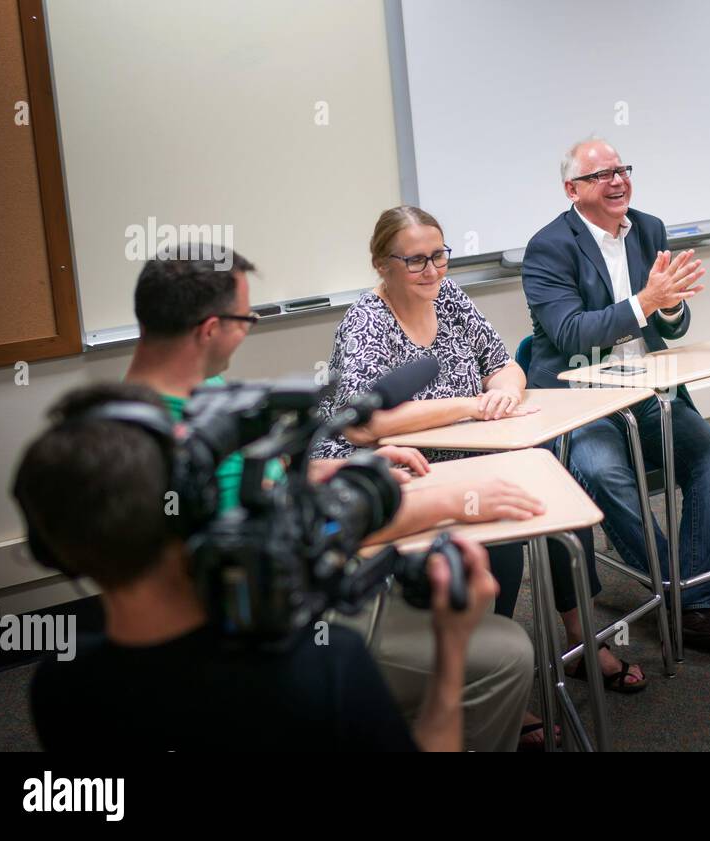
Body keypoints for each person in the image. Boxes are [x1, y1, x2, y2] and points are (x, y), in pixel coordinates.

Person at [124, 252, 535, 751]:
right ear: (211, 328)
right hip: (272, 634)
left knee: (470, 586)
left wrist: (343, 467)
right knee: (508, 652)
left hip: (263, 600)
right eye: (245, 319)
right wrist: (456, 500)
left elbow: (267, 473)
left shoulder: (178, 394)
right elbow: (304, 535)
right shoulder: (177, 436)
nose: (247, 331)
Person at [315, 207, 647, 749]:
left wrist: (503, 390)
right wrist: (468, 404)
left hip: (472, 451)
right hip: (395, 466)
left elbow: (504, 362)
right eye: (416, 260)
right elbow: (369, 421)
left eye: (439, 255)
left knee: (556, 495)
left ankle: (581, 638)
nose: (432, 270)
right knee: (505, 542)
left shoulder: (449, 298)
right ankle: (491, 681)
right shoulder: (366, 321)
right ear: (382, 265)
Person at [14, 383, 500, 751]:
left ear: (53, 551)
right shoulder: (326, 670)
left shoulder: (60, 685)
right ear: (197, 510)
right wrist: (450, 649)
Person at [522, 137, 710, 655]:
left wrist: (667, 306)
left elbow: (670, 323)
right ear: (572, 190)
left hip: (646, 388)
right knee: (605, 475)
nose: (617, 180)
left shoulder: (648, 229)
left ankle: (693, 600)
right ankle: (693, 596)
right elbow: (570, 333)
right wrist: (646, 301)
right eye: (601, 174)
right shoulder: (548, 247)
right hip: (576, 396)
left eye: (622, 169)